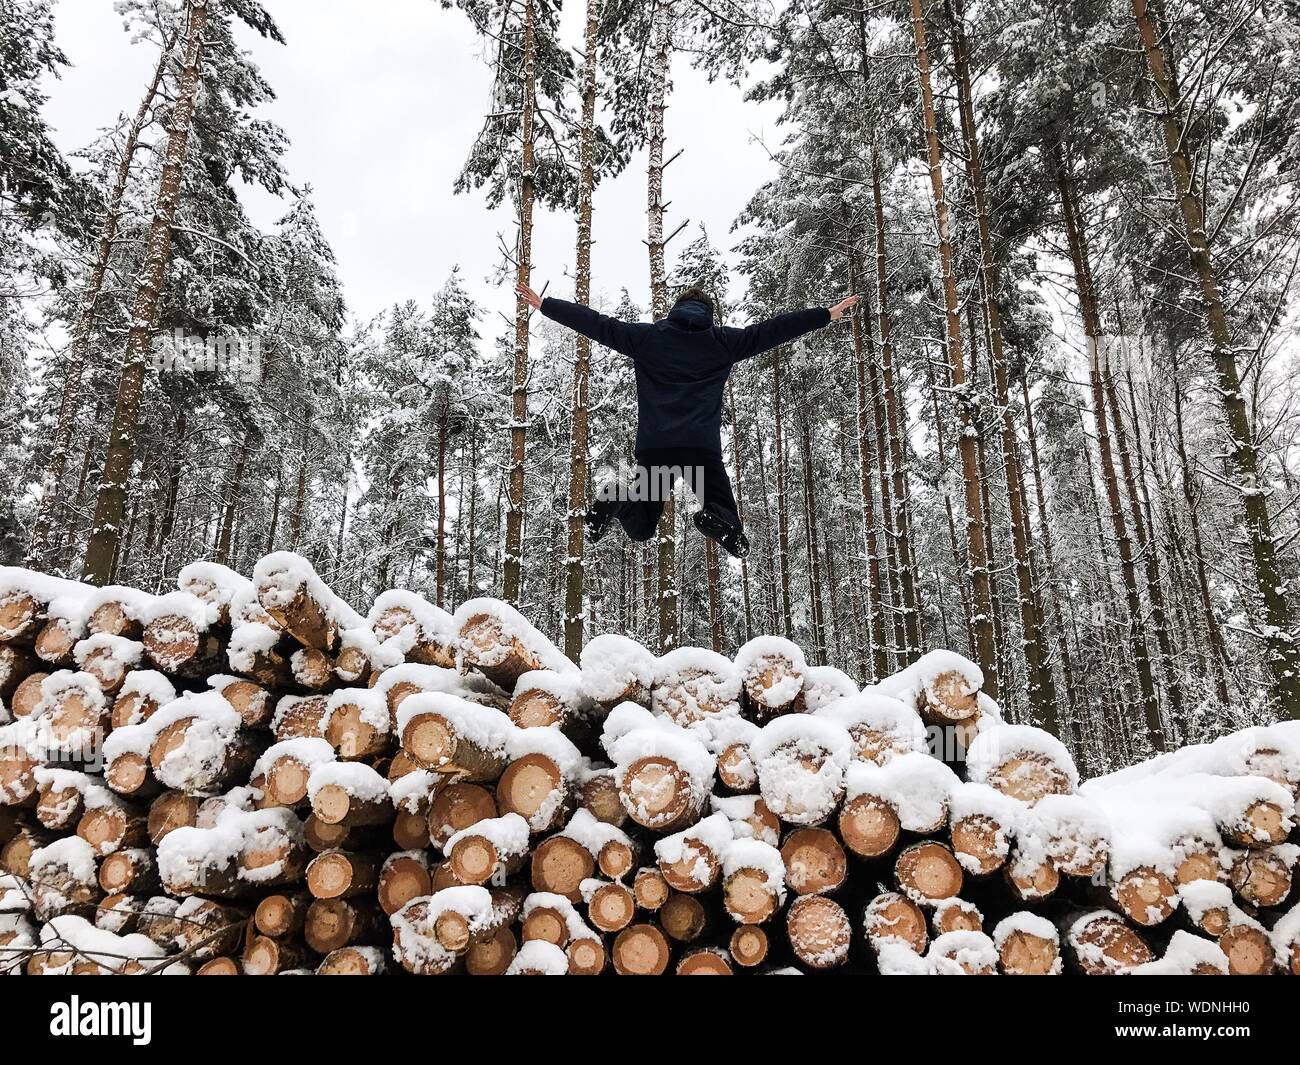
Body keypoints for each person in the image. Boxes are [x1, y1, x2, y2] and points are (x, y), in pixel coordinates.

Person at [517, 280, 859, 558]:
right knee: (721, 505)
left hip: (657, 450)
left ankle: (617, 498)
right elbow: (773, 330)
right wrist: (825, 314)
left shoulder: (648, 338)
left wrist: (546, 305)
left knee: (641, 528)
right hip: (700, 449)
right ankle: (723, 524)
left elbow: (598, 325)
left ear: (674, 311)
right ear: (708, 314)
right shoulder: (723, 342)